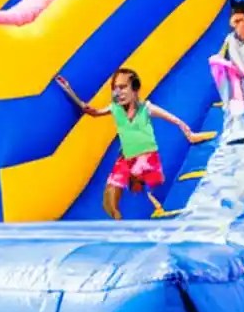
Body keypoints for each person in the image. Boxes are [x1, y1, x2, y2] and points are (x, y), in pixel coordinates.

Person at [55, 68, 207, 220]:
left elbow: (174, 119)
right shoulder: (115, 109)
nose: (118, 93)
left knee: (136, 180)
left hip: (146, 158)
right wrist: (69, 91)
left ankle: (151, 199)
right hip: (126, 158)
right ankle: (122, 225)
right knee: (108, 202)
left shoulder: (146, 108)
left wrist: (190, 134)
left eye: (122, 87)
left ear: (135, 89)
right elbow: (92, 112)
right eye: (115, 89)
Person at [211, 0, 244, 113]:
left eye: (241, 21)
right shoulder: (231, 39)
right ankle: (233, 98)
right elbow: (219, 58)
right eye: (236, 22)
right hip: (241, 78)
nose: (238, 26)